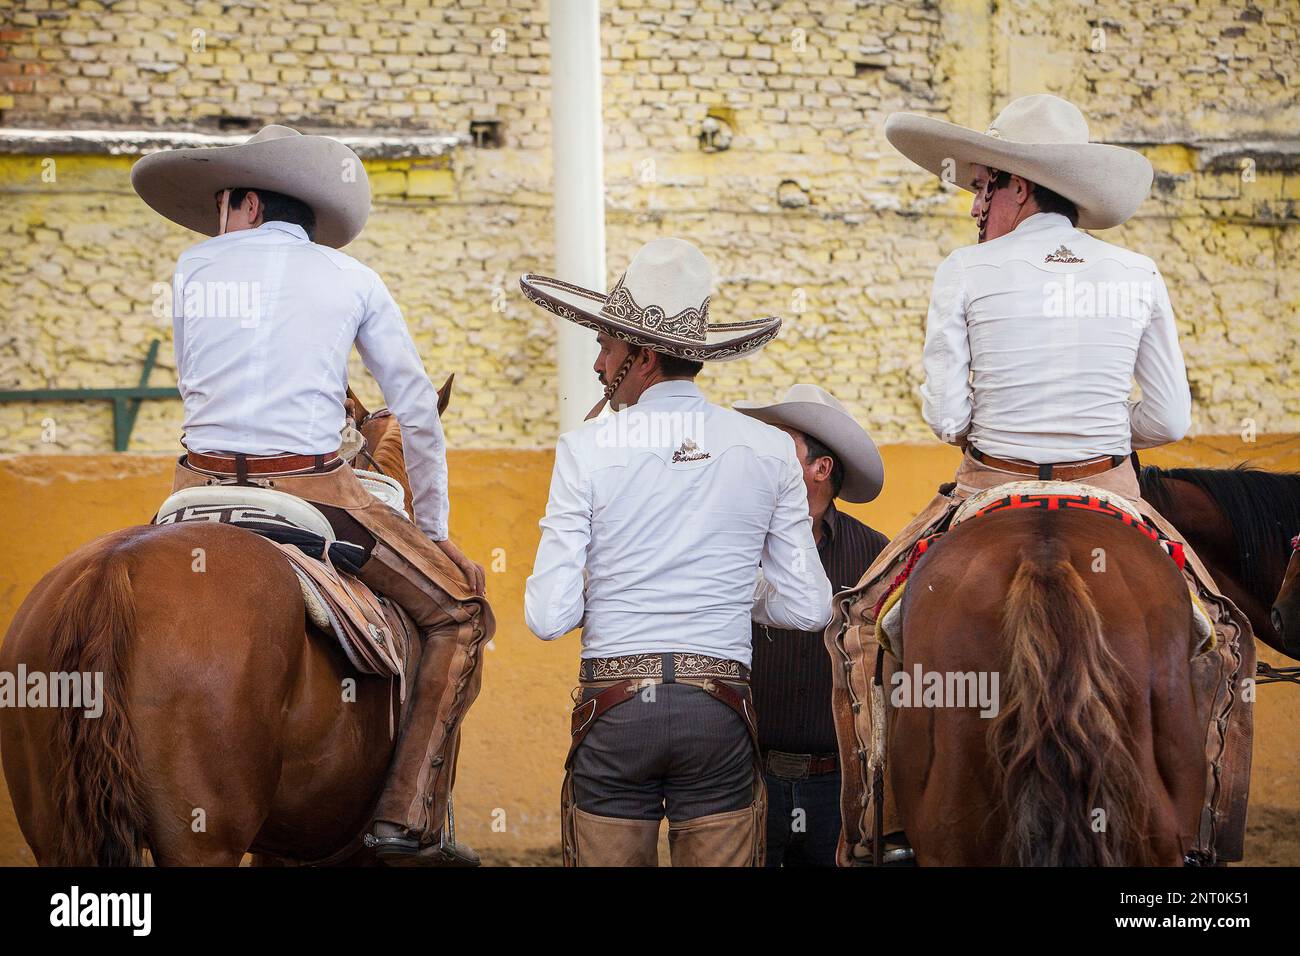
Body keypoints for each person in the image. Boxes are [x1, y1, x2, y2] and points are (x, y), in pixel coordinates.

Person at [827, 94, 1253, 864]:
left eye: (983, 187)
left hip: (989, 487)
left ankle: (872, 835)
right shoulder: (1136, 270)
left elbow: (945, 412)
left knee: (857, 625)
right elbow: (1171, 417)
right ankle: (1206, 845)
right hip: (1113, 493)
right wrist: (1095, 436)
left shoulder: (966, 270)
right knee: (1225, 638)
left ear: (1019, 187)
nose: (975, 206)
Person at [131, 124, 493, 865]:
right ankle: (407, 816)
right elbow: (416, 410)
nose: (218, 222)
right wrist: (433, 524)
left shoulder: (191, 268)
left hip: (192, 489)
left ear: (251, 205)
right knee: (461, 607)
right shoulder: (350, 278)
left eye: (223, 205)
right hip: (311, 489)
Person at [522, 237, 833, 866]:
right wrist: (724, 588)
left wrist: (616, 583)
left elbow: (547, 616)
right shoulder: (770, 448)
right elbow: (809, 608)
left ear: (640, 357)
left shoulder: (585, 448)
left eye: (607, 345)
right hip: (717, 714)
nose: (598, 363)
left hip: (615, 716)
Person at [734, 384, 888, 866]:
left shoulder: (875, 558)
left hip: (839, 786)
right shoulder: (731, 541)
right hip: (745, 776)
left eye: (781, 448)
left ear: (820, 469)